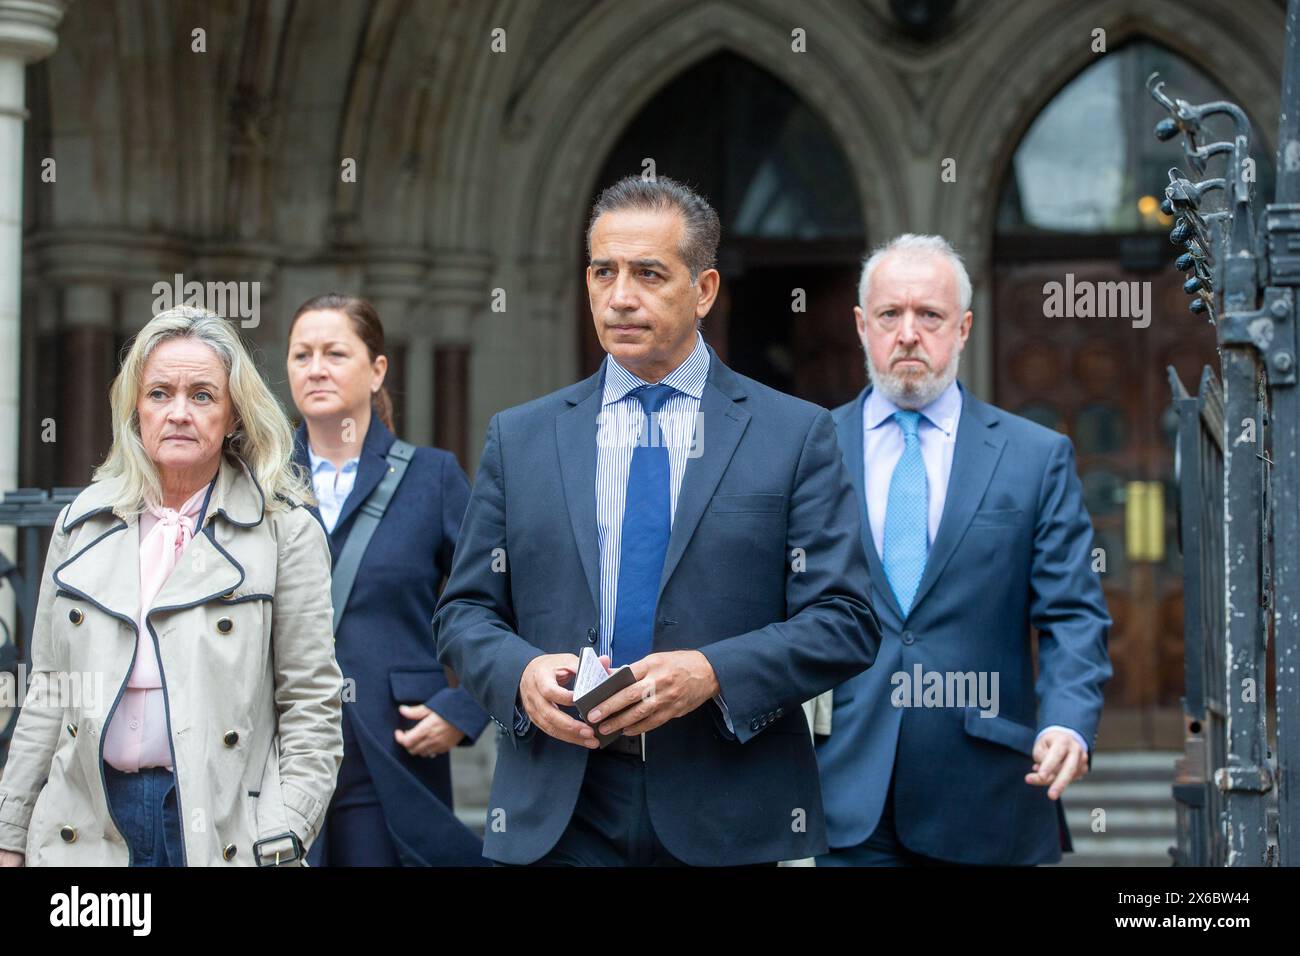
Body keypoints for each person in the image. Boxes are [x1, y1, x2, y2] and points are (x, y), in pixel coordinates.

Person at [434, 175, 880, 867]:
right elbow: (463, 613)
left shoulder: (794, 435)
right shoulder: (519, 439)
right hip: (557, 810)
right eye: (603, 272)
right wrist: (520, 674)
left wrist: (712, 671)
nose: (619, 297)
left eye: (648, 274)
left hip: (728, 809)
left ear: (703, 290)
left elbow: (846, 620)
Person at [0, 306, 342, 867]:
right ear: (136, 408)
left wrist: (283, 833)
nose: (179, 412)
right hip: (85, 827)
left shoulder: (285, 532)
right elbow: (48, 691)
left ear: (234, 414)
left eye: (202, 395)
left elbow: (312, 702)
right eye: (160, 393)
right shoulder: (82, 523)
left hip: (220, 827)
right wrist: (11, 833)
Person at [814, 234, 1113, 866]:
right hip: (844, 794)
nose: (909, 334)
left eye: (931, 315)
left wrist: (1066, 721)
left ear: (964, 328)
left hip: (991, 797)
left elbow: (1073, 614)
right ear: (862, 326)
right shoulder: (810, 449)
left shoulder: (1035, 457)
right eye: (891, 315)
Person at [287, 293, 489, 866]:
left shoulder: (432, 478)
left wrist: (465, 707)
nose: (316, 368)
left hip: (394, 751)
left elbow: (501, 599)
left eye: (334, 353)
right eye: (301, 355)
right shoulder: (259, 483)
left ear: (378, 370)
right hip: (278, 752)